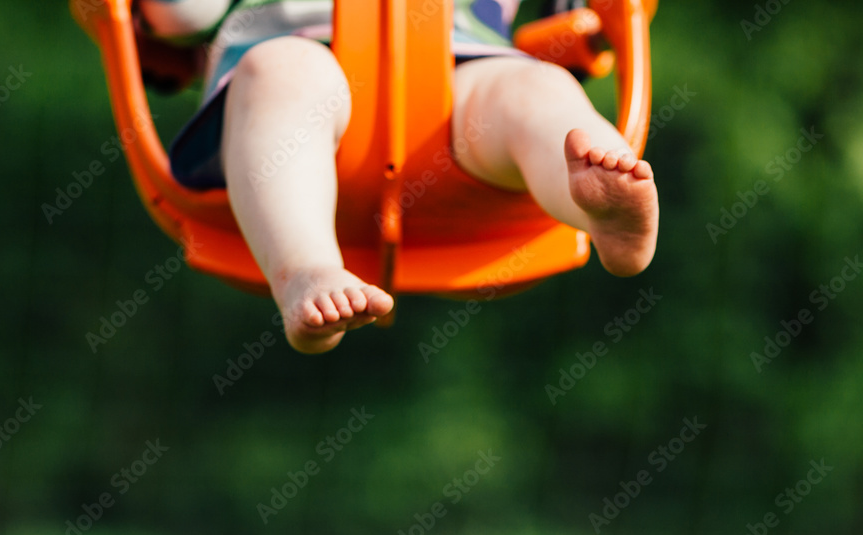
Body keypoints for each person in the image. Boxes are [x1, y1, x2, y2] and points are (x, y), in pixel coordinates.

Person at [138, 0, 659, 353]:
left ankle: (599, 201)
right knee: (283, 77)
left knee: (535, 89)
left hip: (458, 78)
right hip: (297, 66)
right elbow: (178, 13)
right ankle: (306, 269)